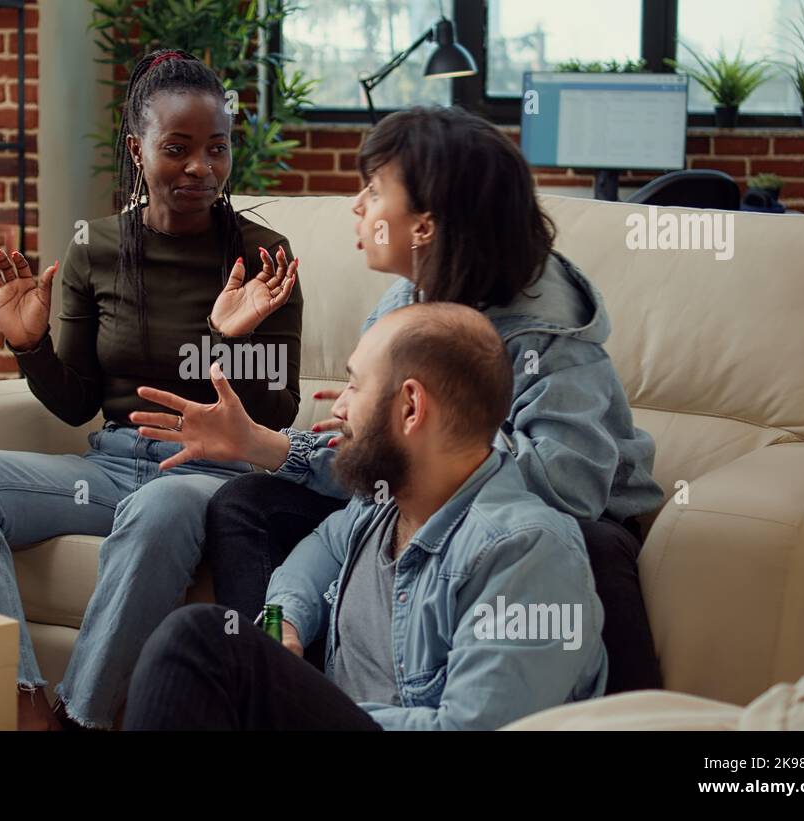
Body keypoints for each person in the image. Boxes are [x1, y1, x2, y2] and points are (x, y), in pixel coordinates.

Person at [148, 106, 665, 693]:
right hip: (413, 498)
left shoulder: (547, 332)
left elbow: (568, 489)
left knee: (588, 545)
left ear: (425, 224)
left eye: (373, 189)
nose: (356, 205)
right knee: (245, 502)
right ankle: (283, 683)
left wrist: (433, 439)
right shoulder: (400, 303)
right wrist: (263, 445)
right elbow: (372, 460)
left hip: (565, 515)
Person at [0, 49, 303, 731]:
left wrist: (229, 339)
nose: (200, 168)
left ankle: (79, 720)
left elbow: (280, 411)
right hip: (114, 462)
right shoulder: (96, 249)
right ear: (137, 148)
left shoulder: (264, 256)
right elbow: (77, 400)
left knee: (161, 507)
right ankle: (12, 707)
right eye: (177, 149)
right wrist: (29, 343)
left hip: (210, 476)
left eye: (217, 149)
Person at [125, 303, 607, 730]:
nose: (338, 405)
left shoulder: (526, 552)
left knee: (202, 641)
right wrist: (285, 620)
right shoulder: (384, 505)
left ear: (411, 407)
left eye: (354, 385)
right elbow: (321, 549)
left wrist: (284, 705)